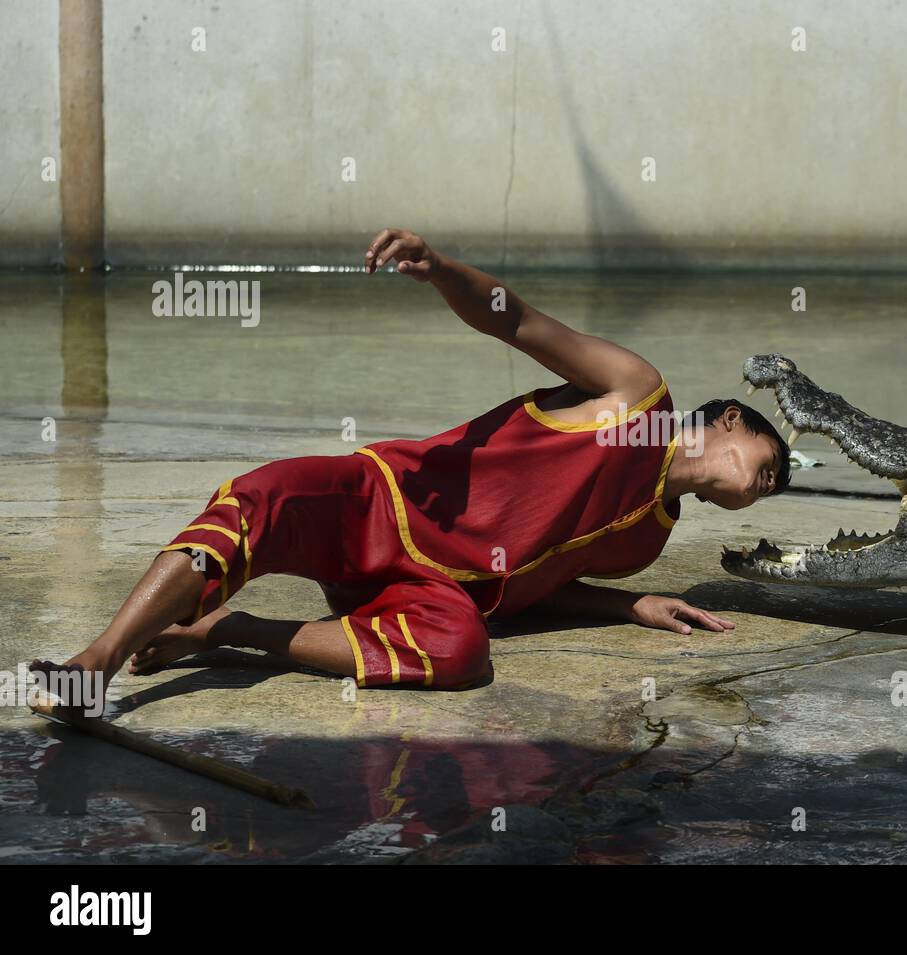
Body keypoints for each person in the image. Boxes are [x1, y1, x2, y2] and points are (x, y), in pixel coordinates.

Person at [31, 228, 790, 707]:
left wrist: (630, 606)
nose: (770, 484)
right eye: (770, 462)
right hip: (384, 503)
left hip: (428, 590)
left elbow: (539, 592)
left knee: (462, 655)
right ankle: (99, 657)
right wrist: (442, 269)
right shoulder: (638, 394)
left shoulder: (648, 542)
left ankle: (224, 631)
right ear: (730, 421)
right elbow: (517, 319)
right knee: (258, 499)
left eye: (776, 485)